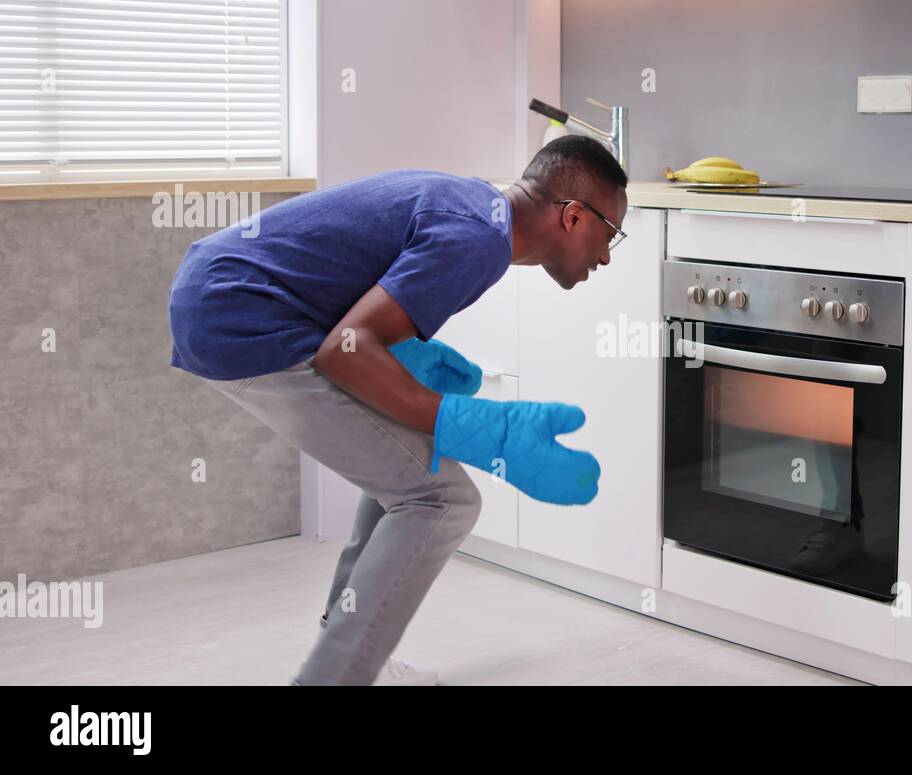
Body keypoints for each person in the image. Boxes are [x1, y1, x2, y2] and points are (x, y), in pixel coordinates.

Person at [166, 135, 630, 685]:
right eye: (610, 234)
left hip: (222, 292)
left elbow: (359, 324)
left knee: (414, 466)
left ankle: (357, 649)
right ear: (574, 216)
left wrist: (413, 369)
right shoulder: (478, 240)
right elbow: (348, 348)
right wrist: (462, 422)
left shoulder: (476, 210)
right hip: (241, 312)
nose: (604, 256)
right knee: (443, 500)